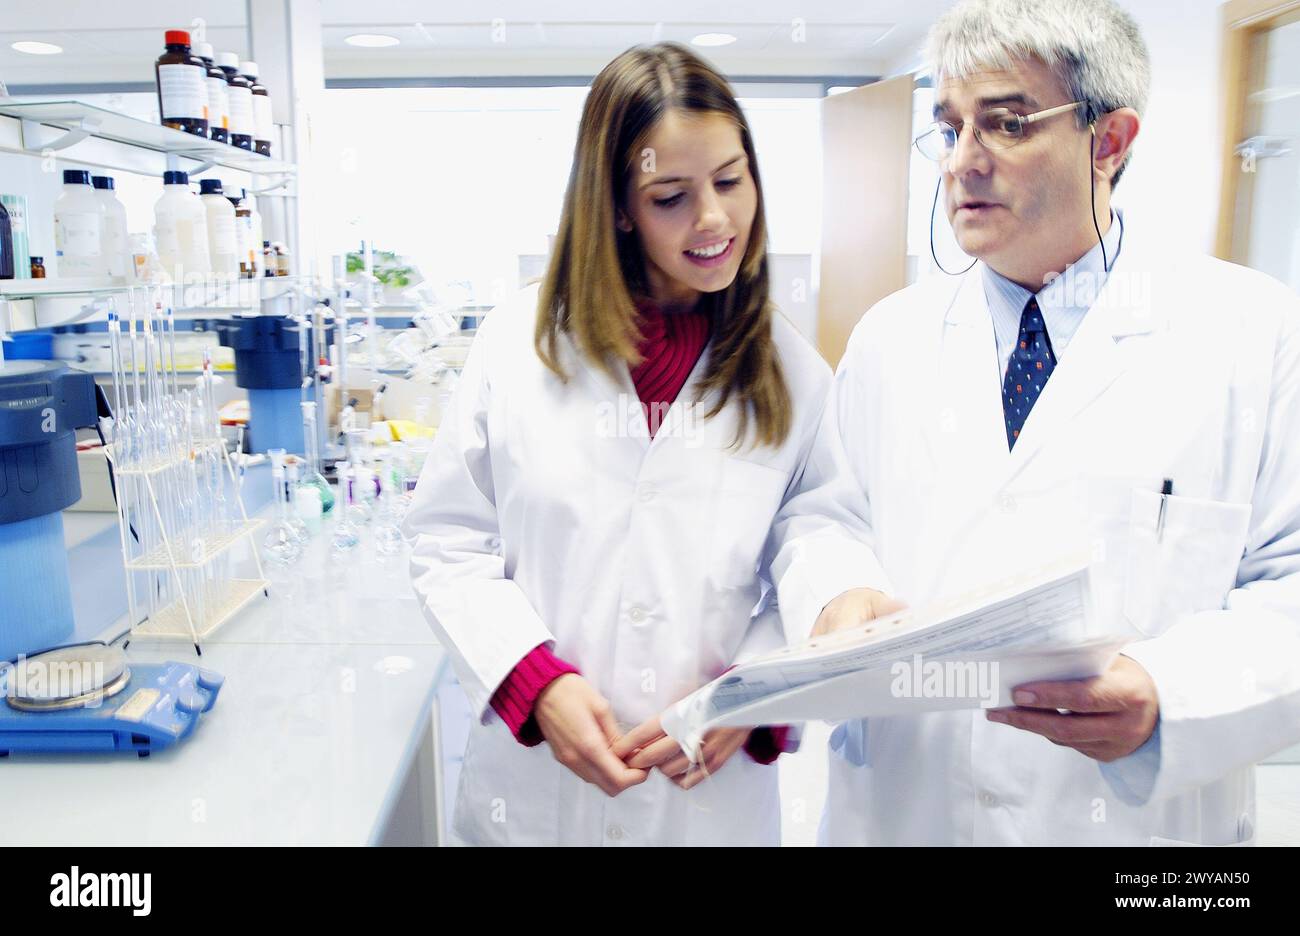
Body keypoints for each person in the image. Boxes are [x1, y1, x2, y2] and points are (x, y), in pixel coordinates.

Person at [770, 0, 1300, 845]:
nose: (962, 164)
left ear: (1110, 140)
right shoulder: (889, 337)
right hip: (911, 810)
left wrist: (1171, 692)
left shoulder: (1253, 331)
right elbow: (824, 516)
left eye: (1008, 124)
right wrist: (836, 591)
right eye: (950, 128)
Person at [404, 43, 836, 845]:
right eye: (671, 196)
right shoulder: (516, 345)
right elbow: (447, 540)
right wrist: (531, 682)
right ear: (618, 206)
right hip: (536, 800)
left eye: (731, 181)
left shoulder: (795, 375)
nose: (715, 220)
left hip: (708, 804)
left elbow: (815, 558)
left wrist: (754, 694)